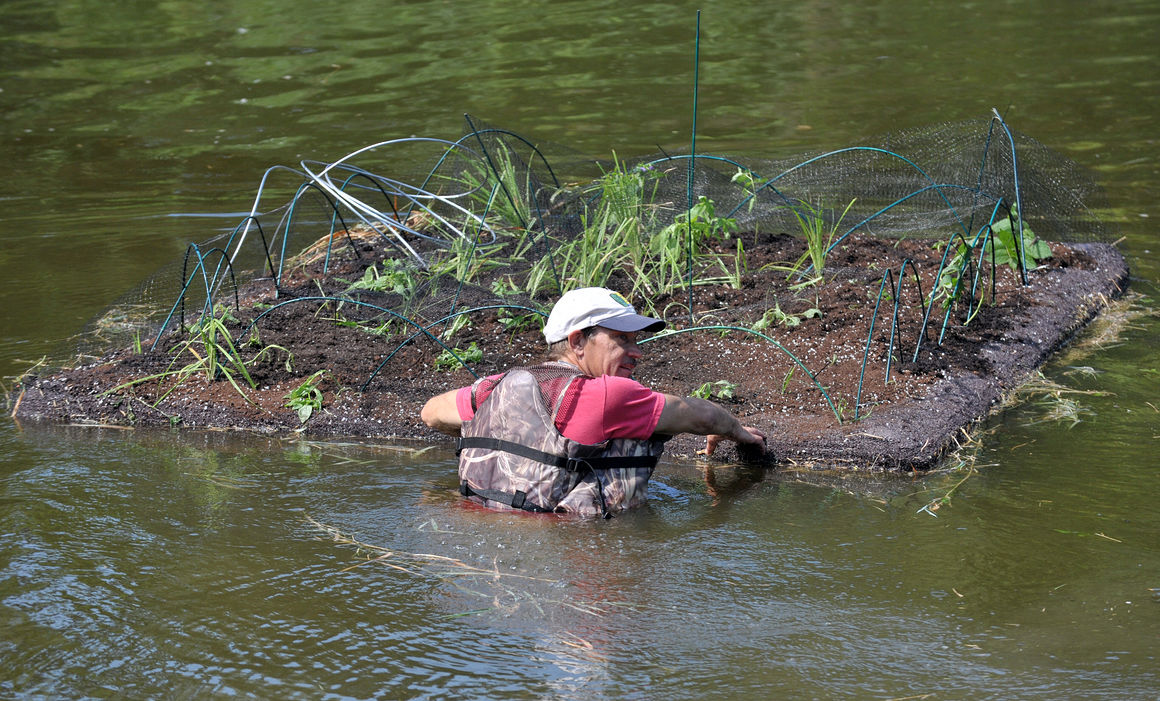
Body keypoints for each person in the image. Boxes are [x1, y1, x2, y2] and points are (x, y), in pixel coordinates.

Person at [421, 286, 766, 517]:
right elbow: (701, 415)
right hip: (571, 548)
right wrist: (742, 435)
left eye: (636, 340)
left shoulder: (492, 387)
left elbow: (431, 413)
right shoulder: (607, 394)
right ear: (577, 341)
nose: (637, 352)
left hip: (484, 536)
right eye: (621, 339)